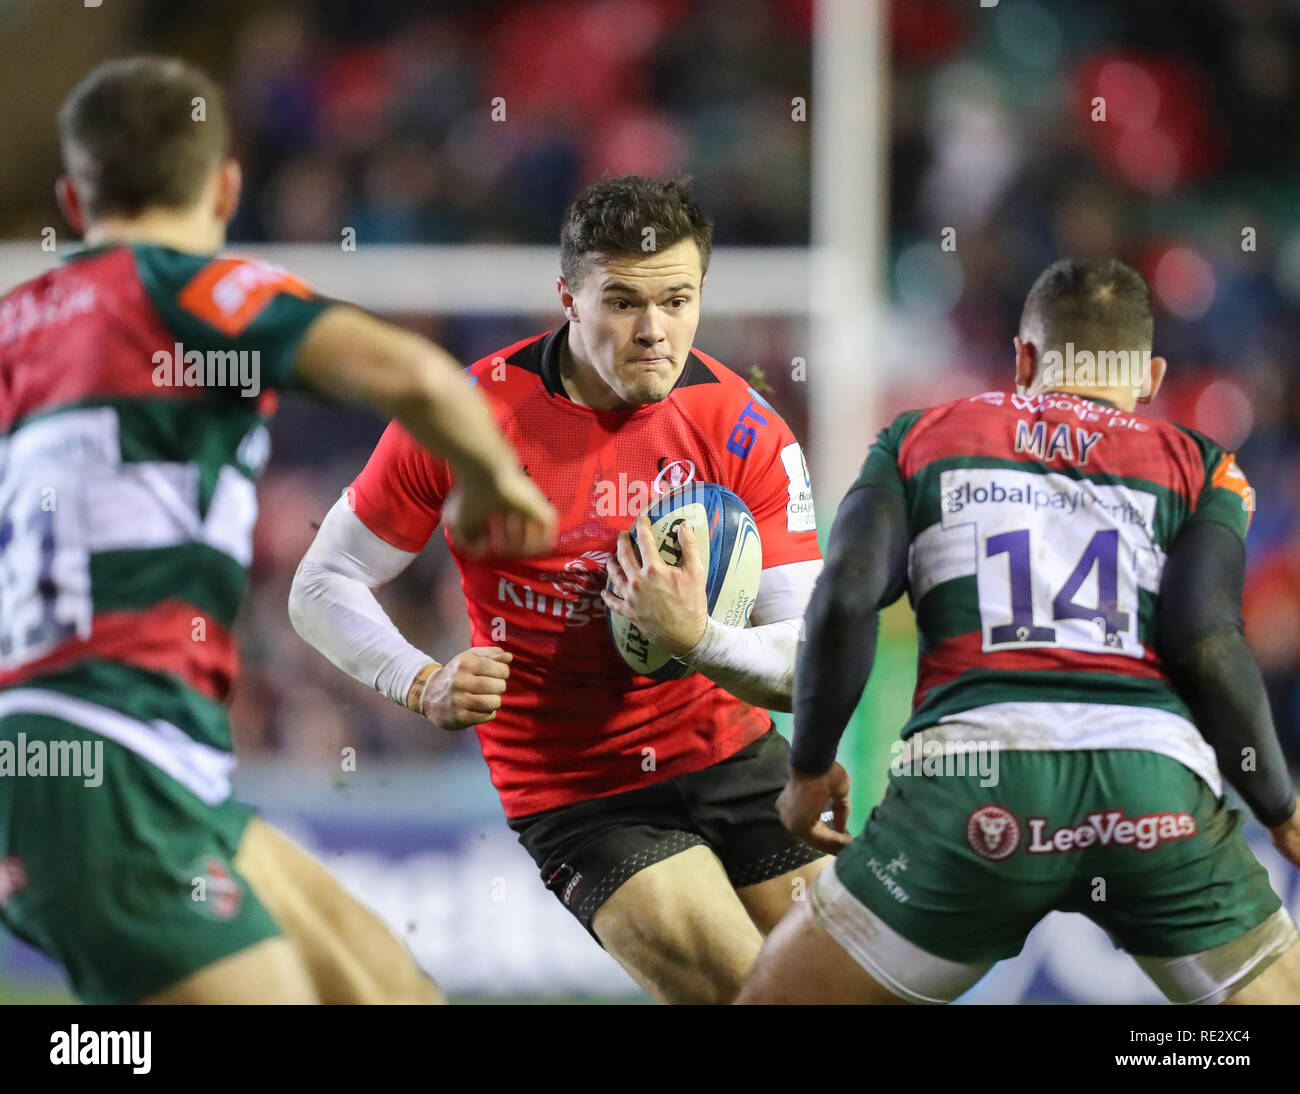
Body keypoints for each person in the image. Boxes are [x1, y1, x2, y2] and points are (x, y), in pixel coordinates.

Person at [0, 55, 555, 1005]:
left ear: (71, 199)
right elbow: (418, 377)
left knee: (393, 991)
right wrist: (493, 483)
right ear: (225, 186)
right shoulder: (186, 290)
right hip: (106, 761)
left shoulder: (17, 327)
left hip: (144, 767)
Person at [290, 175, 828, 1004]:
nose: (655, 332)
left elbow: (808, 664)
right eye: (622, 302)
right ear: (567, 299)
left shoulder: (743, 427)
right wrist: (420, 679)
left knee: (858, 988)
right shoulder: (467, 417)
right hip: (583, 792)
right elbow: (324, 580)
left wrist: (694, 640)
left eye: (678, 301)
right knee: (749, 993)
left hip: (737, 758)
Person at [739, 257, 1300, 1005]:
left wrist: (810, 768)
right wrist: (1282, 810)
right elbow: (1207, 641)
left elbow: (842, 602)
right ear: (1150, 376)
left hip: (972, 791)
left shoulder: (918, 440)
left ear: (1025, 359)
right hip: (1149, 792)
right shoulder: (1202, 468)